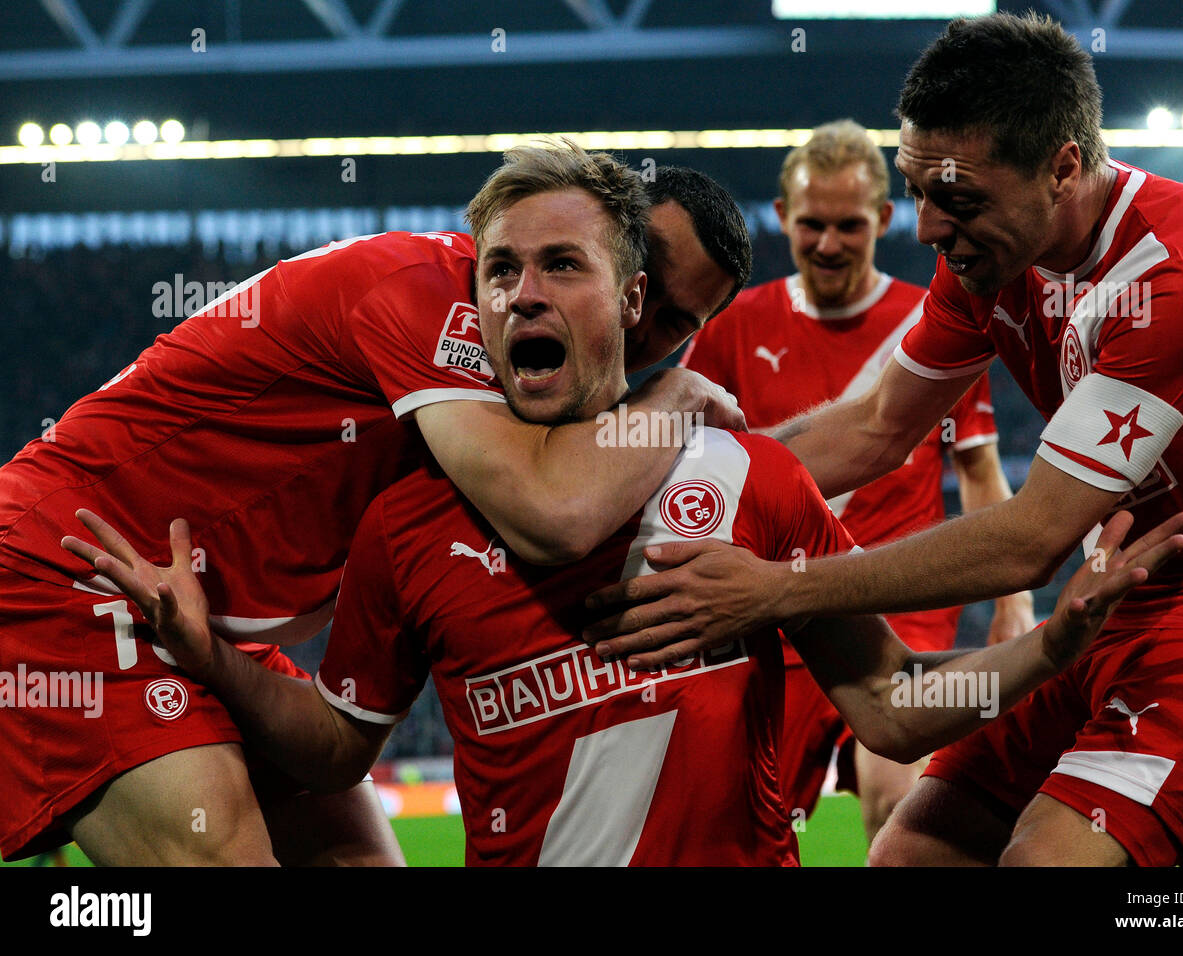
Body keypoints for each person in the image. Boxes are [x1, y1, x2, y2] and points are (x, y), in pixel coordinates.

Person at [61, 142, 1183, 866]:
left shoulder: (755, 478)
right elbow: (338, 743)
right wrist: (213, 657)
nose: (525, 295)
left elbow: (893, 703)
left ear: (638, 298)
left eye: (567, 269)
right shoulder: (416, 511)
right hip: (74, 560)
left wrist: (1054, 641)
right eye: (506, 270)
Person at [583, 11, 1183, 868]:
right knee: (910, 851)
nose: (923, 228)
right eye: (917, 190)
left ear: (1063, 166)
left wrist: (778, 587)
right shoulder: (995, 254)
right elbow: (877, 428)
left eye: (956, 199)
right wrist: (633, 490)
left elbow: (1030, 540)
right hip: (1127, 590)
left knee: (1045, 862)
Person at [0, 142, 749, 865]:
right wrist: (676, 394)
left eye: (678, 327)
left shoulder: (533, 373)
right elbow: (556, 515)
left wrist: (868, 429)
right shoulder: (443, 302)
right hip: (74, 564)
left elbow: (737, 474)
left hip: (188, 605)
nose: (639, 330)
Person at [680, 118, 1034, 845]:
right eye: (812, 225)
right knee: (749, 820)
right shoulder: (733, 327)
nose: (829, 243)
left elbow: (978, 469)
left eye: (849, 225)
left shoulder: (933, 321)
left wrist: (1013, 607)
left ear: (882, 218)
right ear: (782, 219)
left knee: (894, 794)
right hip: (776, 612)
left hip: (897, 600)